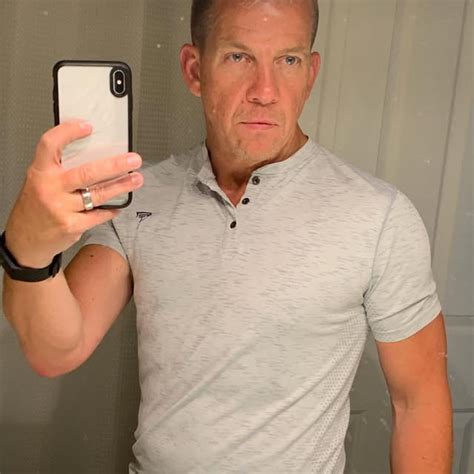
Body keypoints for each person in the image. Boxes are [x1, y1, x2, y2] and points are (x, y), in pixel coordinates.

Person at [1, 0, 453, 472]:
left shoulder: (379, 216)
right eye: (239, 57)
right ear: (194, 70)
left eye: (289, 60)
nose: (265, 91)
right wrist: (28, 247)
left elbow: (419, 399)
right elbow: (56, 351)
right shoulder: (139, 195)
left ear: (311, 73)